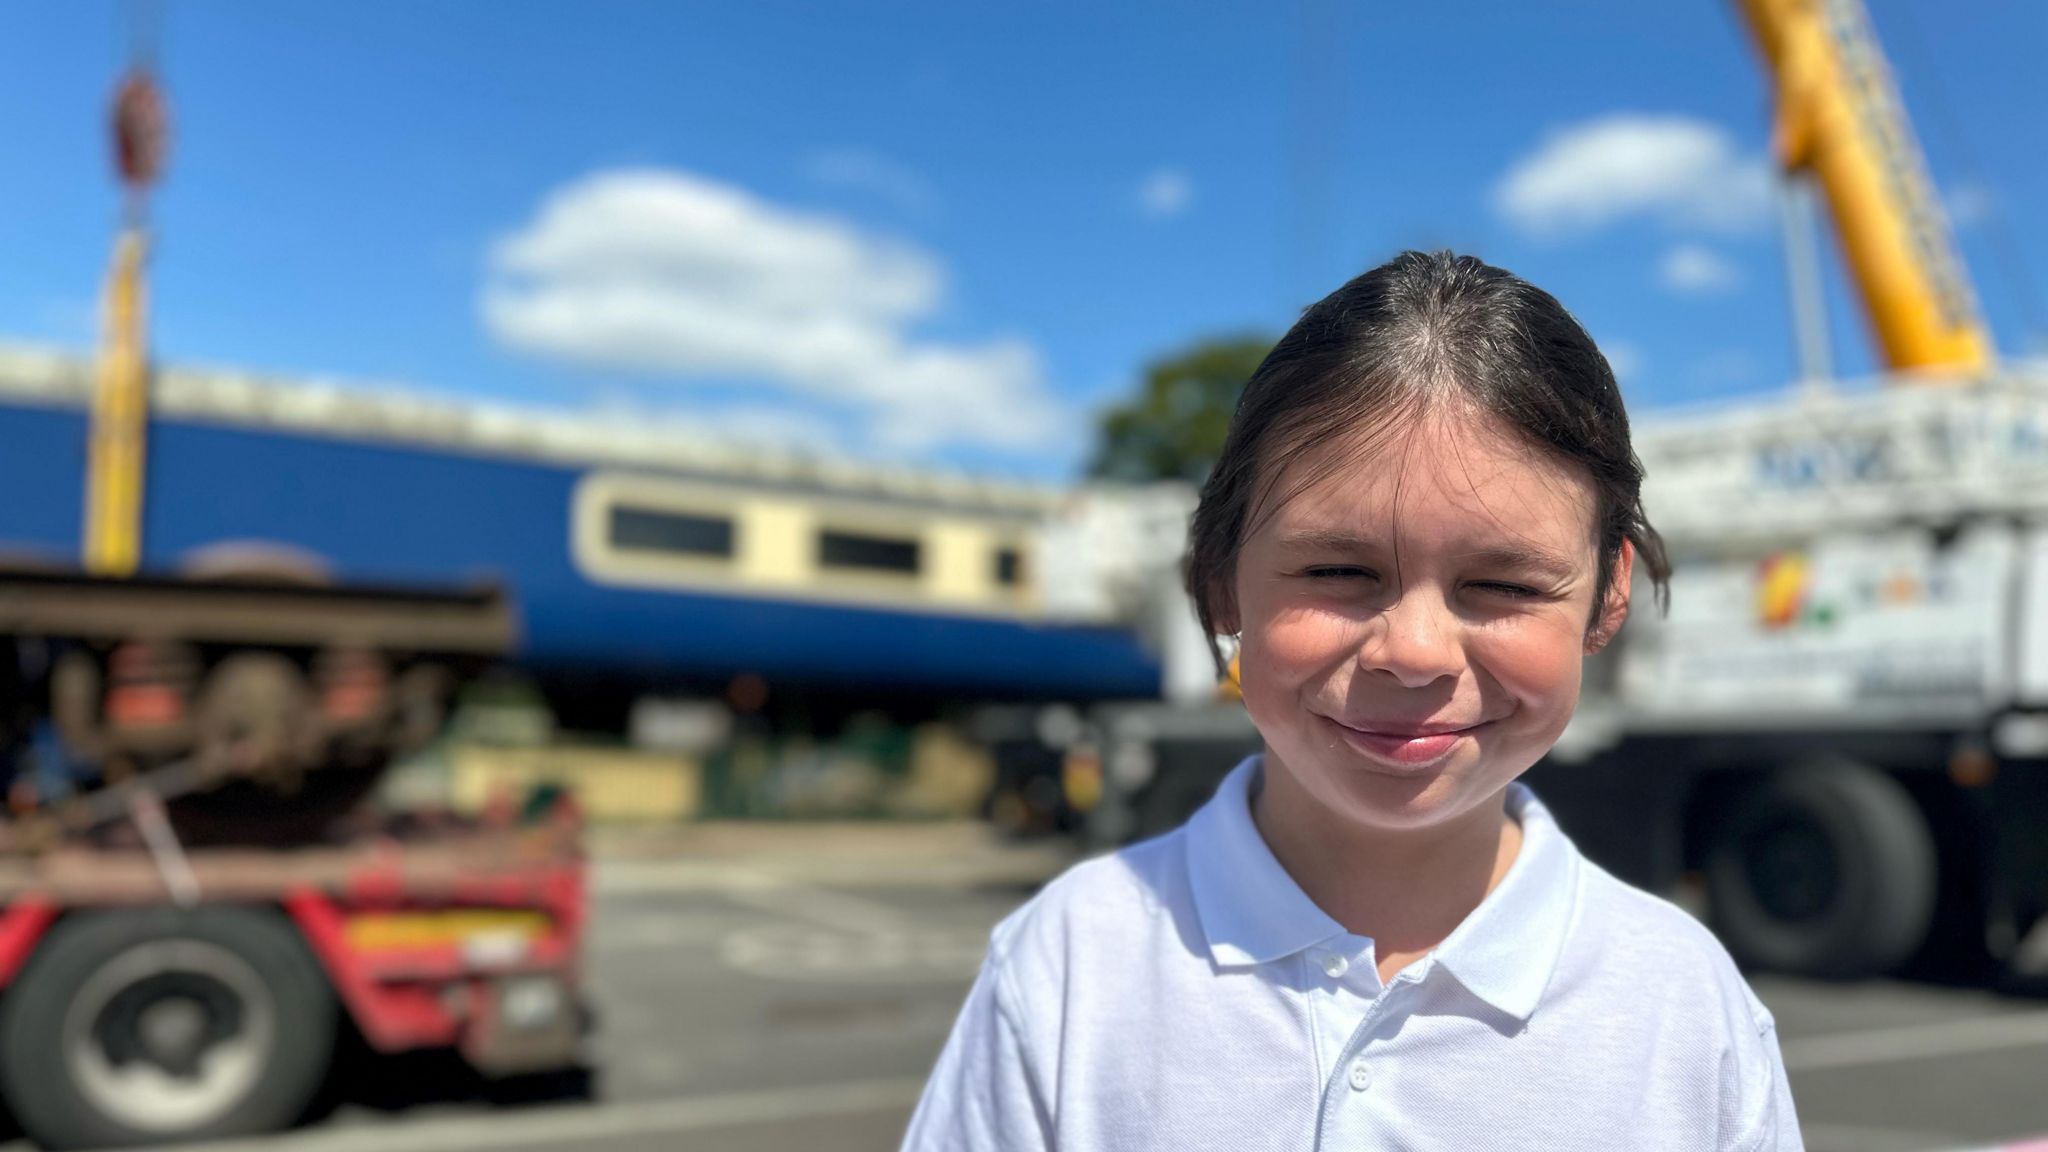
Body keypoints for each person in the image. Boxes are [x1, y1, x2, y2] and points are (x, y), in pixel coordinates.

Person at [900, 251, 1804, 1151]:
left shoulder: (1685, 1010)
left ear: (1607, 595)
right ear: (1223, 582)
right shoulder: (1066, 969)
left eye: (1504, 585)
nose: (1413, 654)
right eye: (1338, 570)